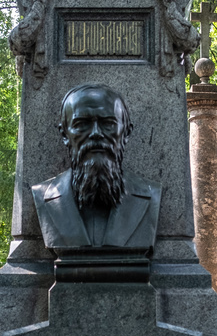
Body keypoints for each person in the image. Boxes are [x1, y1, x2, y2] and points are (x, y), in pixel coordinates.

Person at [32, 83, 161, 250]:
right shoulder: (43, 195)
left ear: (126, 132)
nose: (95, 133)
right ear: (65, 134)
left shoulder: (151, 194)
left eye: (108, 123)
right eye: (81, 124)